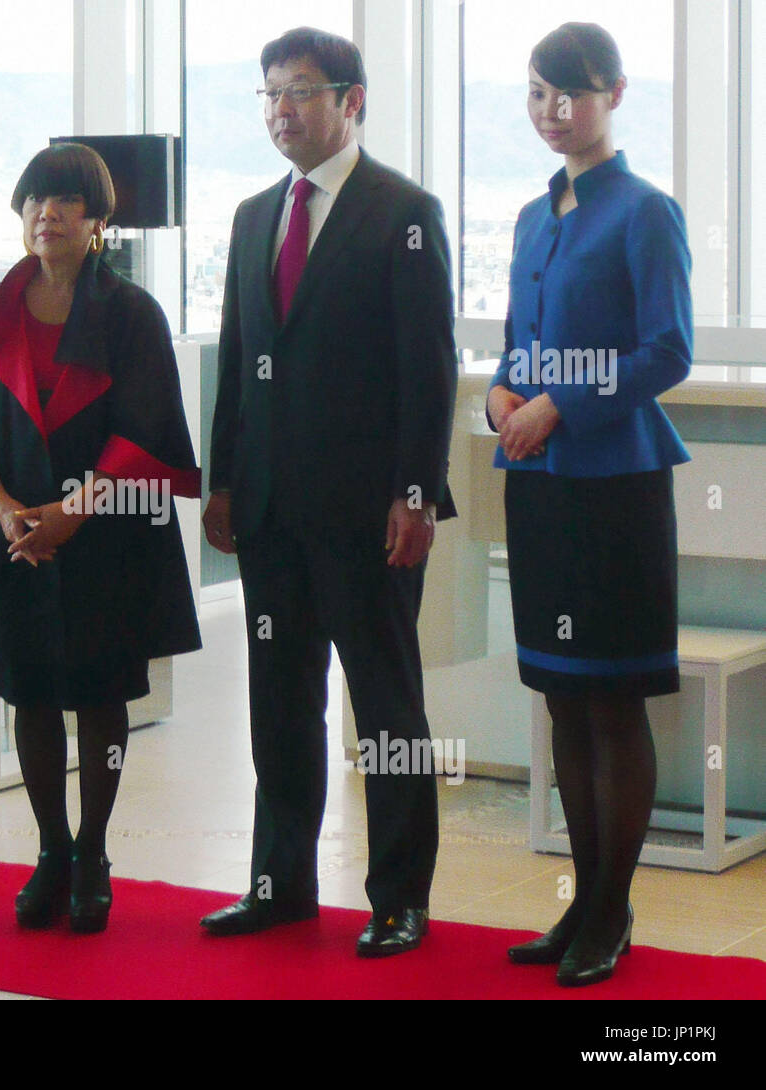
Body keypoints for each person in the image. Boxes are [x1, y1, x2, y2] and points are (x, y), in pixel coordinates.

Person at [200, 27, 457, 955]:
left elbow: (431, 374)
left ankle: (400, 897)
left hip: (370, 514)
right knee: (279, 702)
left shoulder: (404, 211)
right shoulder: (250, 216)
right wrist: (220, 481)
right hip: (269, 510)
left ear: (352, 102)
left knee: (387, 708)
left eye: (300, 92)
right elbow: (236, 359)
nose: (281, 111)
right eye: (268, 94)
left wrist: (417, 494)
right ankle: (280, 884)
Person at [0, 144, 201, 932]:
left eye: (67, 202)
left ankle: (94, 854)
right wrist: (7, 508)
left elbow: (148, 432)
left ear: (99, 222)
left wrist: (76, 510)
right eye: (35, 200)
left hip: (107, 536)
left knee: (101, 699)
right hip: (12, 535)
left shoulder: (133, 313)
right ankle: (50, 851)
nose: (47, 214)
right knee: (29, 693)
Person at [488, 23, 691, 987]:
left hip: (614, 486)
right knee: (561, 695)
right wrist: (500, 394)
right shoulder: (534, 216)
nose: (552, 112)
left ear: (613, 94)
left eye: (568, 94)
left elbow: (668, 352)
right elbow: (518, 345)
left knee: (613, 702)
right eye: (536, 94)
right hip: (537, 486)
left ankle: (613, 910)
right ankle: (581, 902)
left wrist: (561, 401)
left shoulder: (646, 211)